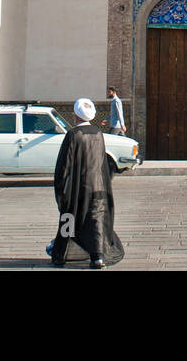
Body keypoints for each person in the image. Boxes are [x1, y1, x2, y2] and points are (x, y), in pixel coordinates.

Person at [47, 97, 124, 269]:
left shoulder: (73, 135)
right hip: (98, 186)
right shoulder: (98, 133)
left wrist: (61, 190)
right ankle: (98, 257)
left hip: (78, 188)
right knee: (96, 221)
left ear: (75, 115)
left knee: (69, 218)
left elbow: (64, 165)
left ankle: (61, 254)